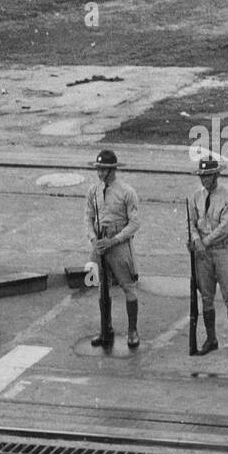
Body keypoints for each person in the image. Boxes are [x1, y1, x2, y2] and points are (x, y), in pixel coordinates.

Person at [84, 149, 141, 348]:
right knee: (100, 287)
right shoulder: (93, 191)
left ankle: (133, 330)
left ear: (113, 170)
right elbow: (88, 218)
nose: (100, 173)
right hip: (99, 243)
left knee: (128, 287)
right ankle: (105, 328)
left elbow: (134, 224)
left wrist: (114, 240)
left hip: (118, 243)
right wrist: (93, 239)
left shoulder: (127, 192)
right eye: (98, 169)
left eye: (104, 169)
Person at [188, 157, 228, 358]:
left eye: (208, 176)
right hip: (202, 254)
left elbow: (224, 227)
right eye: (202, 176)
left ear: (217, 175)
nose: (204, 180)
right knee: (206, 297)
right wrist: (196, 240)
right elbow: (192, 223)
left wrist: (205, 242)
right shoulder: (195, 197)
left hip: (222, 250)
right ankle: (211, 339)